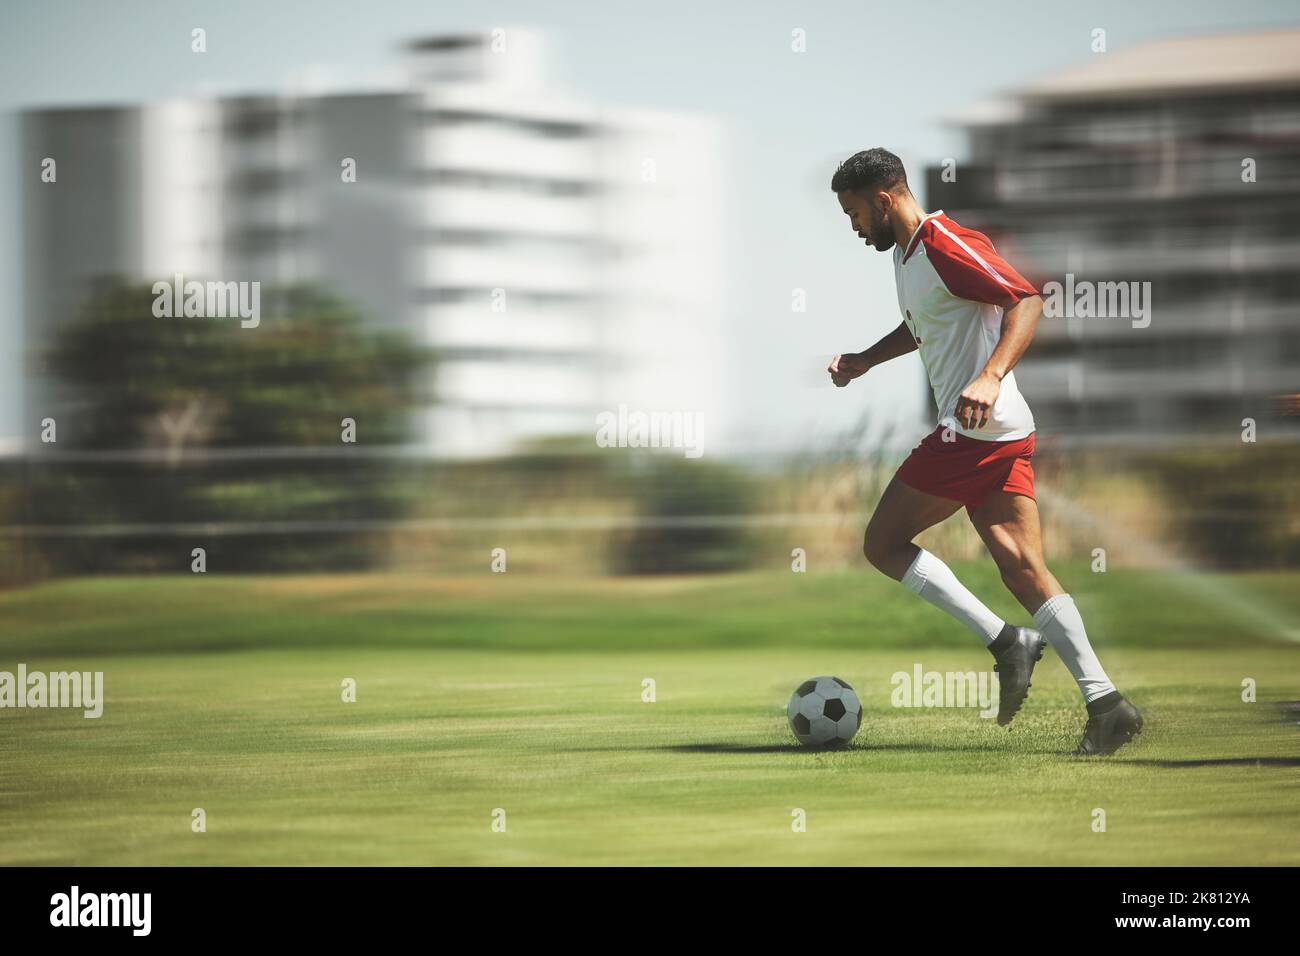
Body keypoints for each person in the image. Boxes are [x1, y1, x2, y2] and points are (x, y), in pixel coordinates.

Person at [828, 148, 1142, 756]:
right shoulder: (907, 256)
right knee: (1022, 568)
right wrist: (867, 358)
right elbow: (927, 323)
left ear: (884, 199)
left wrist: (992, 375)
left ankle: (1006, 642)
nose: (853, 226)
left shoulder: (945, 241)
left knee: (882, 543)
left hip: (973, 431)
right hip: (996, 433)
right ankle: (1107, 704)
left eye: (854, 212)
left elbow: (1025, 298)